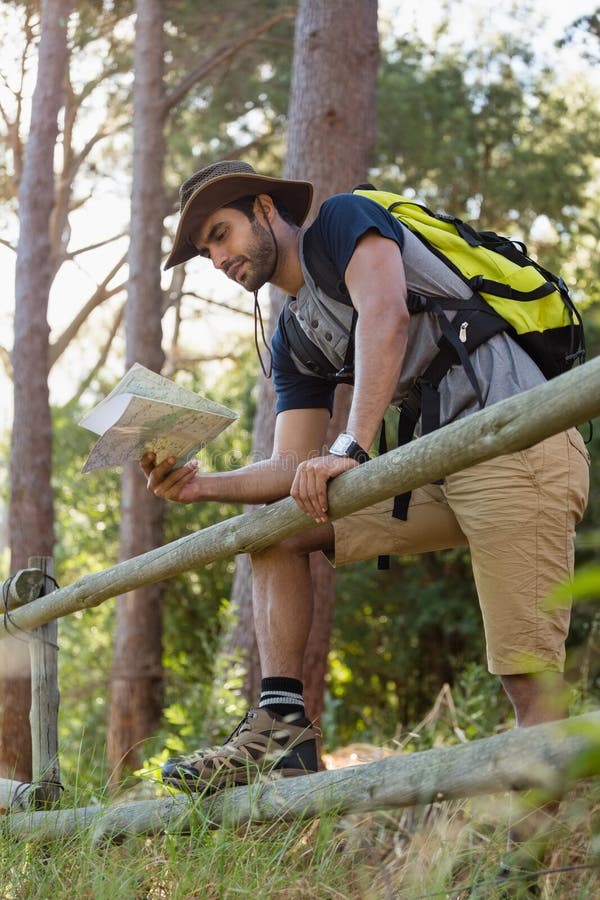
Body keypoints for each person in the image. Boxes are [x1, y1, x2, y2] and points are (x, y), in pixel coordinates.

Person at [141, 159, 590, 797]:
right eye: (205, 251)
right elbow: (290, 468)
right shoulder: (295, 333)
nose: (217, 259)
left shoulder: (345, 221)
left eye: (220, 234)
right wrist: (198, 484)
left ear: (266, 209)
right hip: (435, 468)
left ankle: (532, 865)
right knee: (273, 533)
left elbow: (386, 314)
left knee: (525, 678)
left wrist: (349, 448)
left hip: (516, 443)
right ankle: (282, 723)